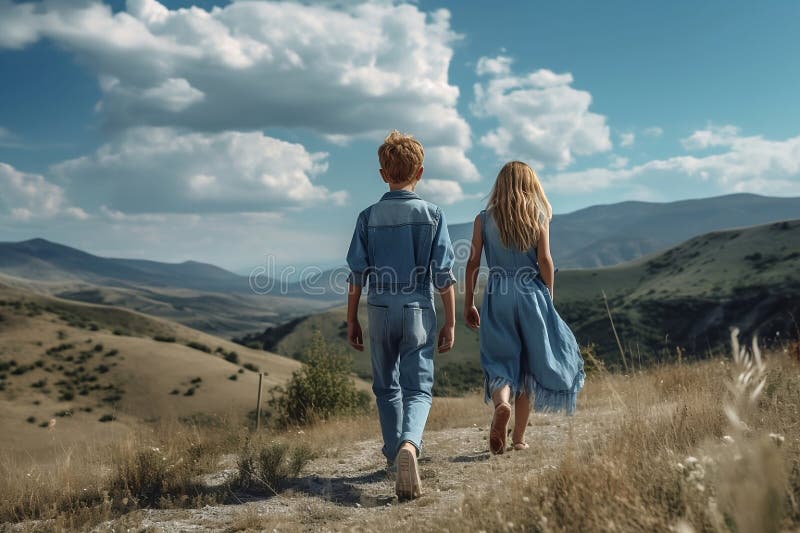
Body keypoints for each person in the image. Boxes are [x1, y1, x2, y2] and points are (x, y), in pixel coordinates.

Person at [346, 130, 457, 499]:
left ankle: (395, 455)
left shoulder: (367, 216)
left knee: (385, 387)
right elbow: (444, 276)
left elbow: (357, 274)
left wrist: (352, 319)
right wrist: (451, 322)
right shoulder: (433, 215)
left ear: (382, 174)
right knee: (418, 388)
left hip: (378, 309)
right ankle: (411, 444)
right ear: (420, 172)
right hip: (417, 309)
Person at [463, 161, 585, 455]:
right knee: (529, 366)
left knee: (500, 361)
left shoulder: (482, 219)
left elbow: (473, 262)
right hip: (532, 293)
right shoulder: (538, 216)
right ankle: (518, 438)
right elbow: (545, 260)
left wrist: (468, 302)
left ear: (500, 185)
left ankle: (501, 403)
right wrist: (549, 296)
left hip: (499, 292)